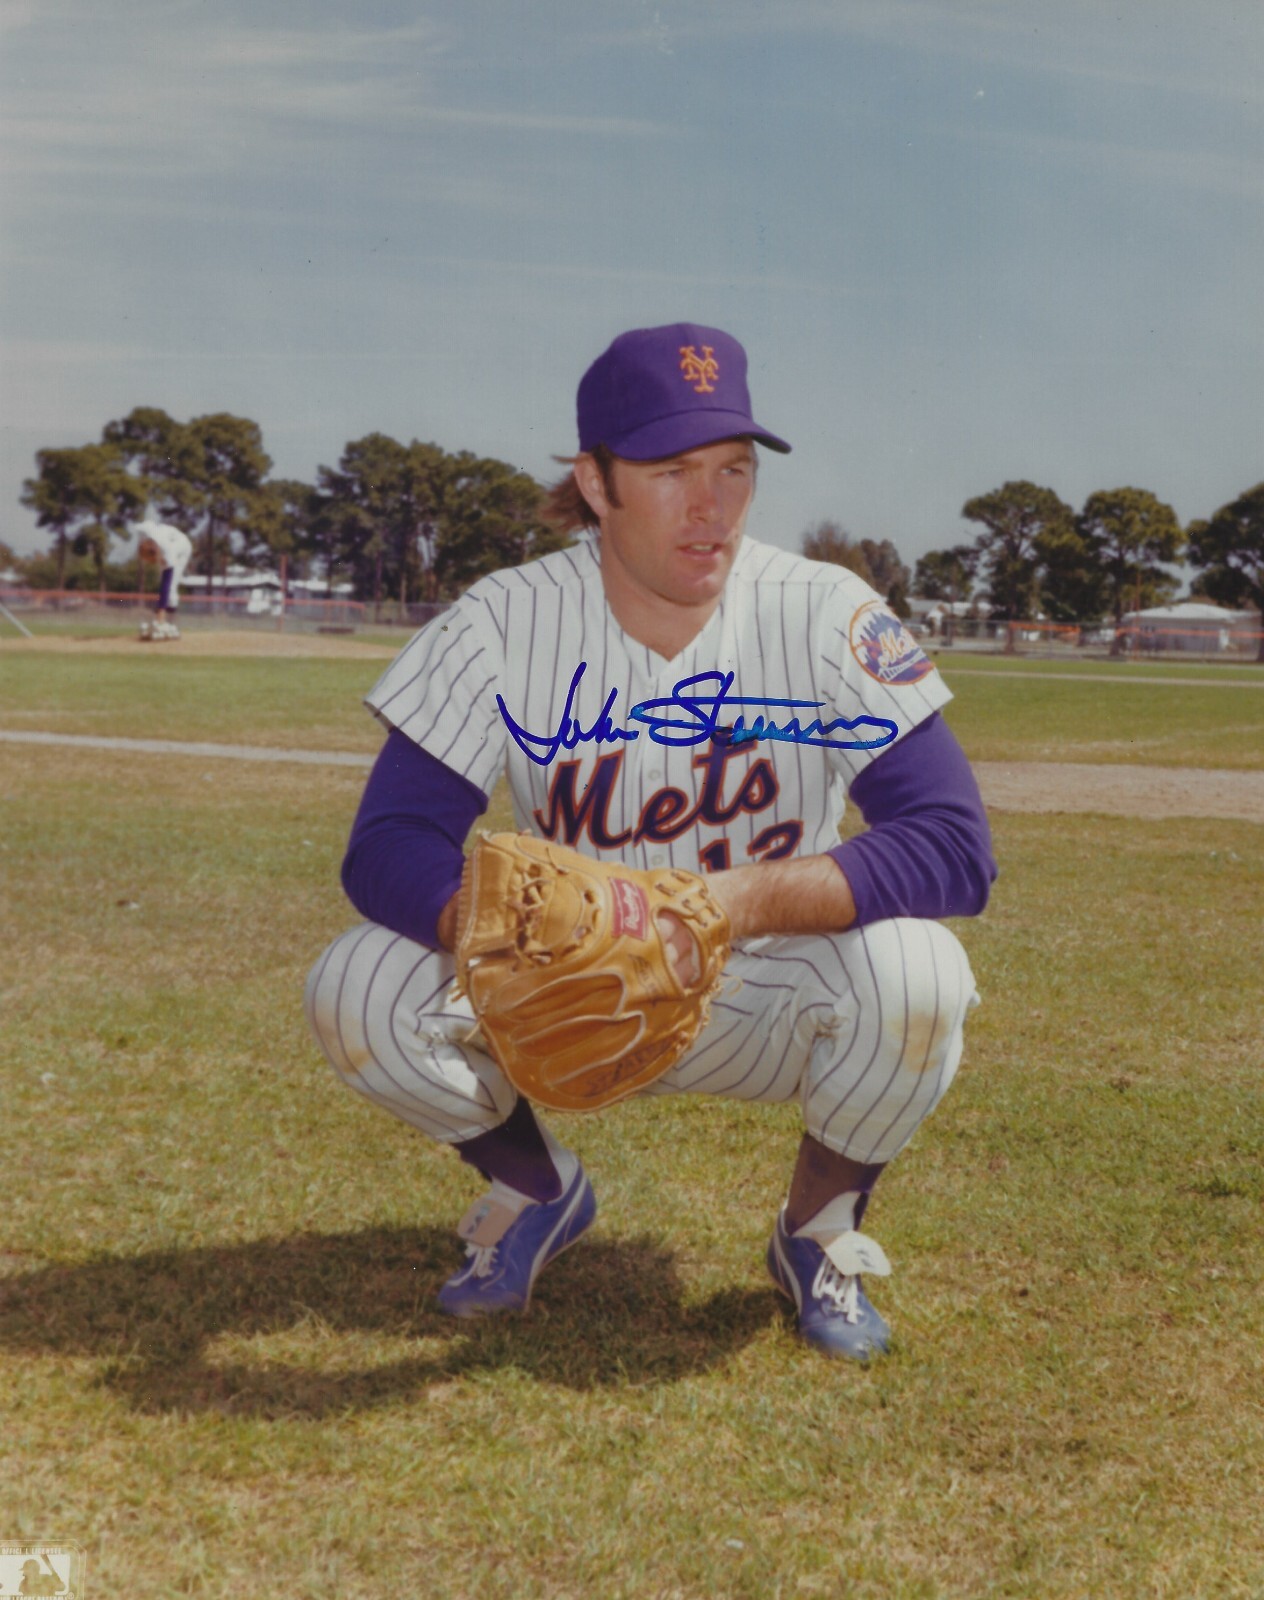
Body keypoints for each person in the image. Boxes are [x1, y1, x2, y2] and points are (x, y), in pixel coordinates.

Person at [305, 322, 997, 1360]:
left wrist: (723, 904)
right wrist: (500, 931)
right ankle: (535, 1191)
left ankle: (816, 1236)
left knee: (921, 975)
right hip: (560, 986)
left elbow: (952, 844)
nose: (710, 503)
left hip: (762, 979)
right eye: (671, 470)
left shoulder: (821, 612)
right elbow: (389, 840)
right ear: (594, 481)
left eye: (733, 468)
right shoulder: (501, 618)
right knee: (356, 987)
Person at [134, 516, 192, 641]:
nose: (150, 563)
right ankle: (163, 622)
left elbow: (165, 584)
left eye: (150, 560)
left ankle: (169, 624)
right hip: (168, 541)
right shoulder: (146, 535)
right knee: (166, 584)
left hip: (182, 548)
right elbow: (144, 526)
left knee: (171, 586)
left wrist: (160, 612)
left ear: (154, 554)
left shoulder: (167, 551)